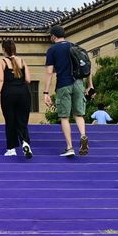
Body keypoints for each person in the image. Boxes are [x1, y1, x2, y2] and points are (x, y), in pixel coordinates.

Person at [44, 25, 90, 157]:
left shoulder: (52, 50)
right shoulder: (75, 46)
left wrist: (46, 92)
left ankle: (70, 147)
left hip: (64, 84)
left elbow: (49, 72)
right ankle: (83, 135)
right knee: (78, 114)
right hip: (79, 83)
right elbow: (87, 66)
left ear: (53, 36)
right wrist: (90, 85)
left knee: (64, 117)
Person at [0, 40, 33, 158]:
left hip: (8, 94)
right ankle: (25, 142)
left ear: (4, 50)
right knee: (22, 121)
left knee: (10, 121)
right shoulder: (22, 61)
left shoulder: (1, 61)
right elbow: (28, 79)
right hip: (24, 94)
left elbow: (0, 79)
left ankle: (11, 149)